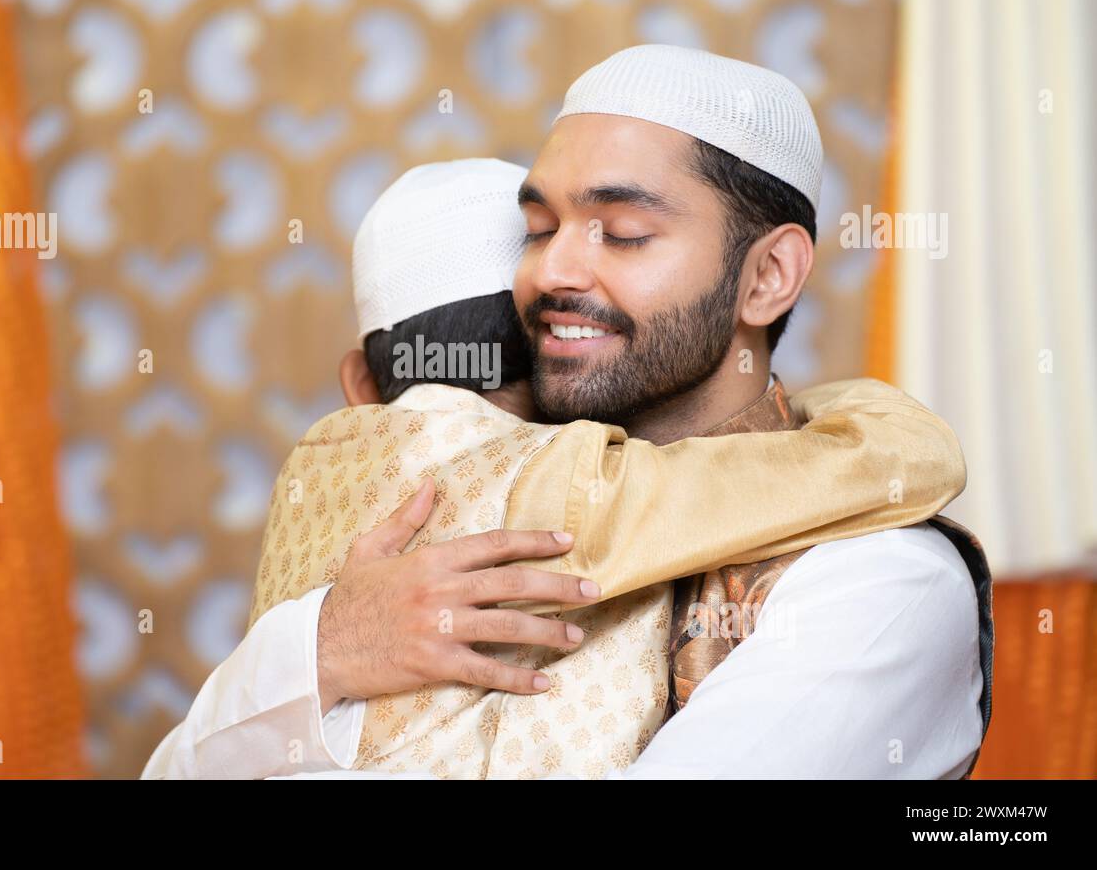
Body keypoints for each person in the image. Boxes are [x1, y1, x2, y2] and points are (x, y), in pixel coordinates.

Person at [144, 102, 988, 777]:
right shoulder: (441, 518)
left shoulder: (880, 578)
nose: (549, 273)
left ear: (766, 275)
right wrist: (322, 650)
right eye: (539, 230)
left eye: (621, 232)